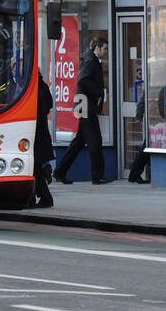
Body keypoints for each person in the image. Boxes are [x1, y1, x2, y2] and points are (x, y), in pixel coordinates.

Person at [54, 36, 111, 184]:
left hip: (84, 103)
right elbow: (82, 80)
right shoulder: (91, 61)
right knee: (95, 141)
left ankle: (60, 171)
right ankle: (97, 176)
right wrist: (97, 93)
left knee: (79, 141)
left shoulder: (92, 60)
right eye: (105, 48)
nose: (106, 51)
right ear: (97, 48)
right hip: (86, 104)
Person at [32, 74, 55, 208]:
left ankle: (44, 198)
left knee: (34, 168)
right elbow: (49, 104)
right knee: (35, 167)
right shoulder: (42, 85)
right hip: (41, 133)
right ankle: (37, 197)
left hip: (35, 133)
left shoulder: (32, 88)